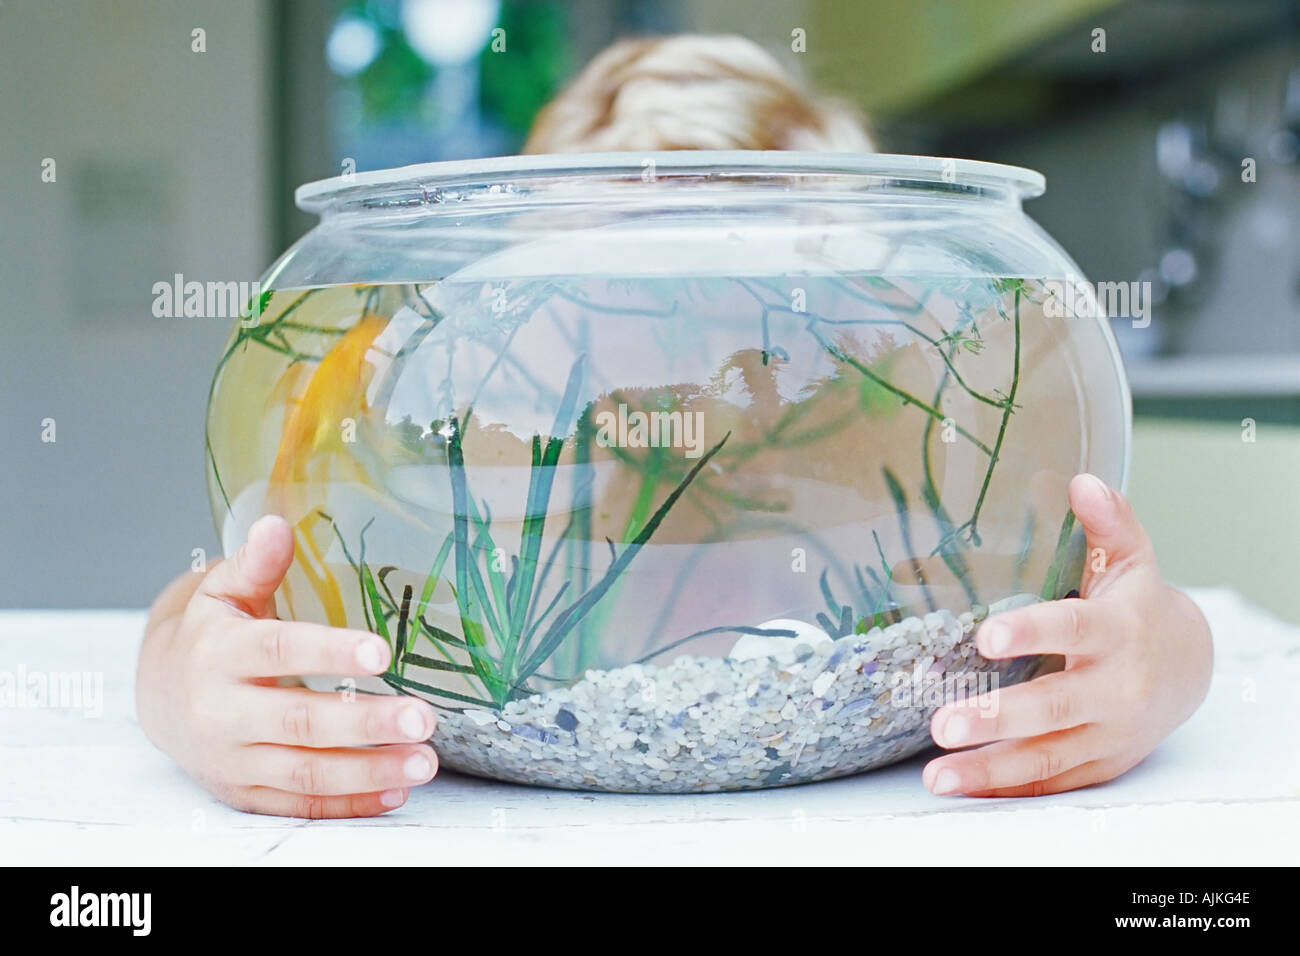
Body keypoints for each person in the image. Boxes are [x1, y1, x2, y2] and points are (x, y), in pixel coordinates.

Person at [137, 34, 1212, 817]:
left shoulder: (895, 454)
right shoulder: (491, 455)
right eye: (623, 289)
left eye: (748, 295)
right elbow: (203, 613)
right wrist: (190, 698)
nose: (688, 351)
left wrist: (1157, 666)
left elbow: (1132, 617)